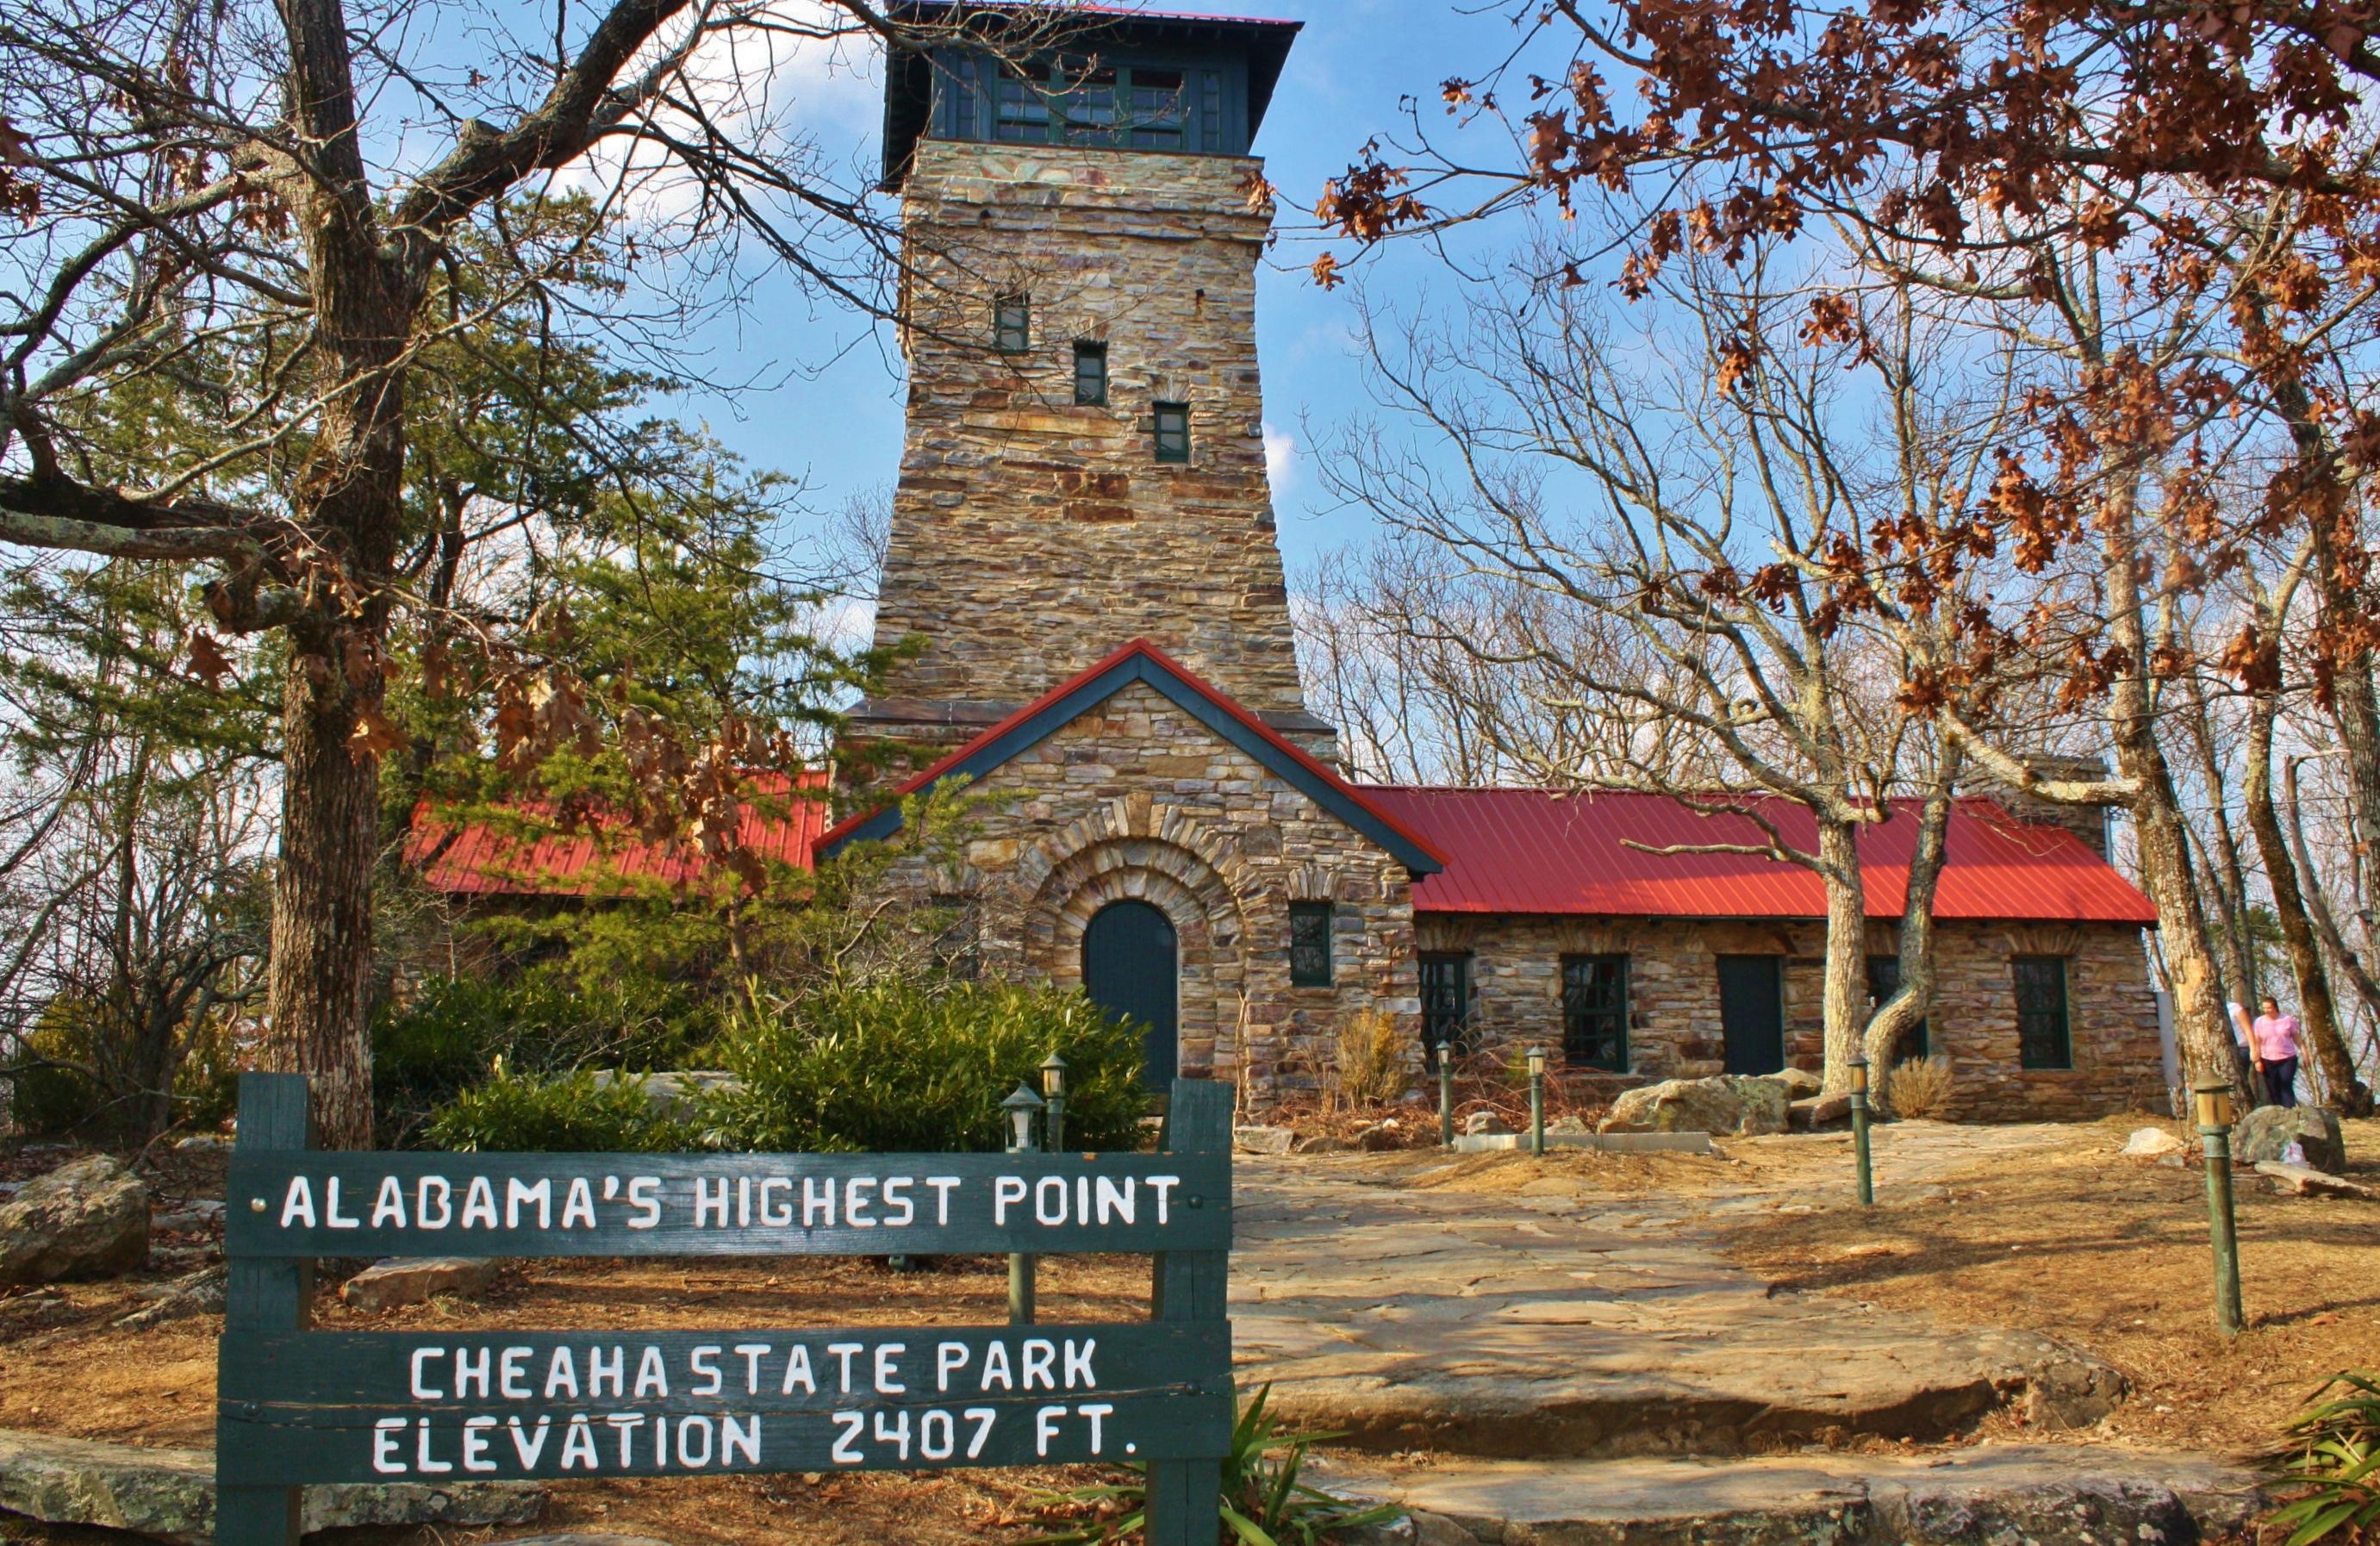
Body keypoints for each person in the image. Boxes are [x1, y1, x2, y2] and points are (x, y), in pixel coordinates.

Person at [2250, 995, 2302, 1110]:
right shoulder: (2259, 1022)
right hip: (2267, 1059)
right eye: (2264, 1008)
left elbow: (2296, 1037)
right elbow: (2257, 1042)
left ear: (2275, 1007)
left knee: (2286, 1084)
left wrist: (2304, 1050)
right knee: (2273, 1088)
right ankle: (2279, 1111)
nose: (2266, 1010)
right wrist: (2257, 1061)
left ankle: (2290, 1110)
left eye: (2269, 1008)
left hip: (2287, 1058)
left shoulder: (2287, 1020)